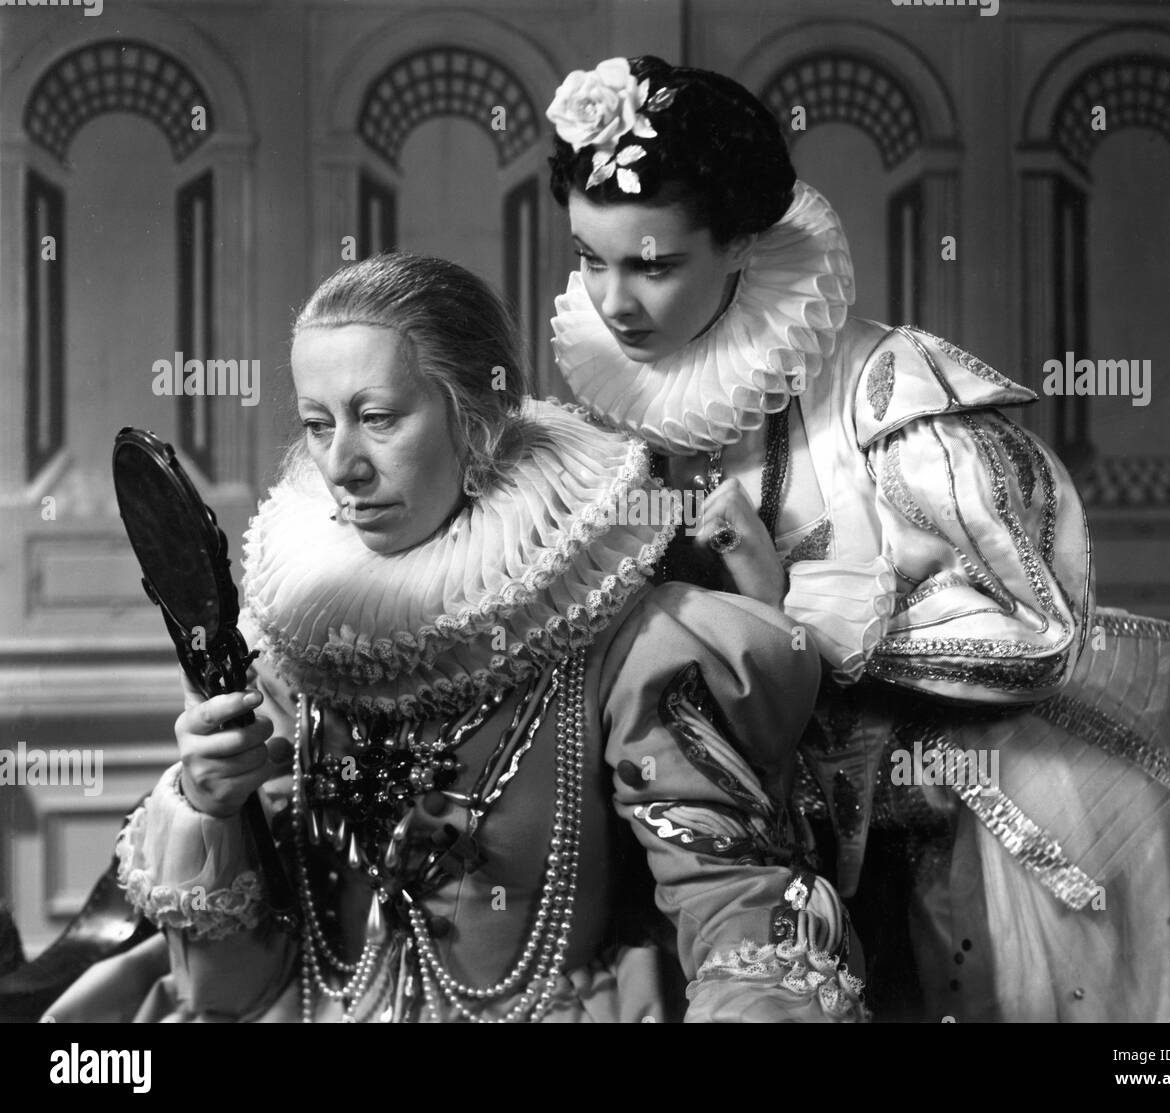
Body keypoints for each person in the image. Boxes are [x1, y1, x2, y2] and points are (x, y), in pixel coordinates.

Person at [547, 56, 1170, 1021]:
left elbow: (1039, 623)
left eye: (652, 264)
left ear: (739, 245)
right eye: (588, 258)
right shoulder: (624, 403)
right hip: (739, 828)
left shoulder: (887, 391)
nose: (613, 302)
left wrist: (805, 614)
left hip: (972, 816)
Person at [44, 252, 865, 1023]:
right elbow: (237, 990)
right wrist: (209, 807)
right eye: (316, 424)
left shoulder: (626, 640)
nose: (342, 464)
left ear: (479, 422)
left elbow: (737, 909)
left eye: (376, 418)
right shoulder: (289, 647)